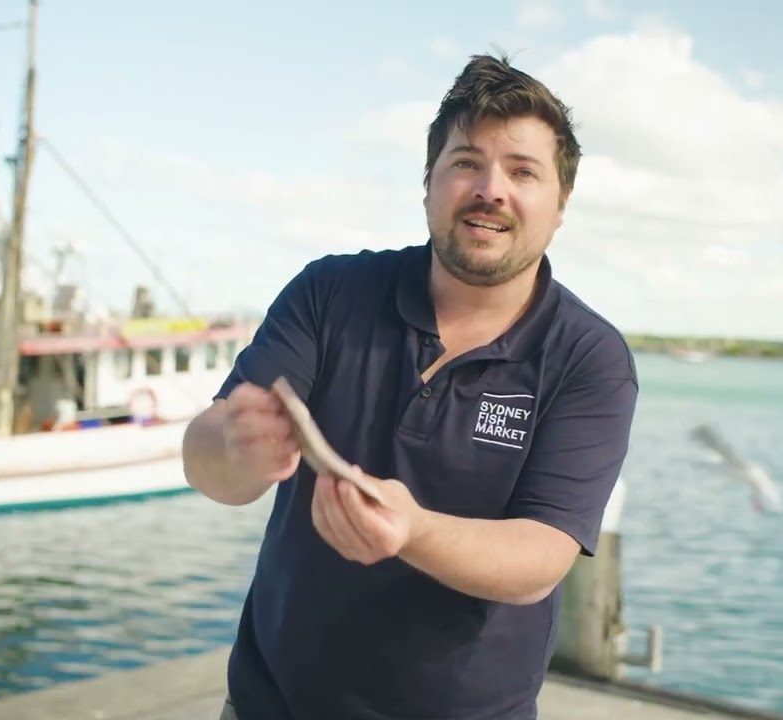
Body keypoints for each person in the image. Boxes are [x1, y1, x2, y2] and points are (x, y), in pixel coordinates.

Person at [182, 53, 639, 720]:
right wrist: (233, 447)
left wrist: (413, 530)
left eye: (522, 171)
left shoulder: (589, 358)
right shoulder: (329, 293)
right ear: (428, 183)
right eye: (466, 163)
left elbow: (541, 557)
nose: (490, 189)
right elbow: (208, 464)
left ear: (561, 204)